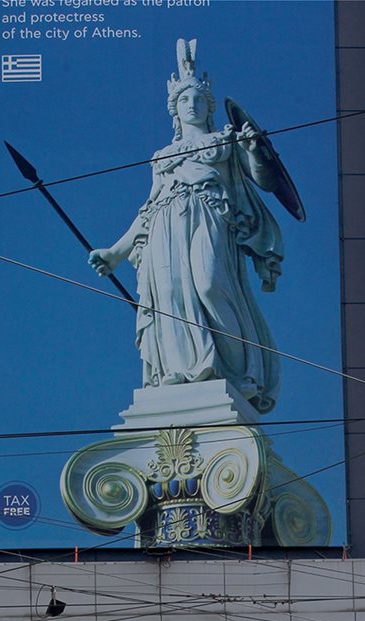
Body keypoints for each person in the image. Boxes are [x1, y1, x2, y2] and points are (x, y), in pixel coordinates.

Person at [89, 39, 284, 413]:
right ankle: (183, 369)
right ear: (174, 111)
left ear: (209, 107)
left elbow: (264, 180)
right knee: (172, 294)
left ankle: (241, 373)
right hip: (165, 225)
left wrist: (255, 149)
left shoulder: (223, 141)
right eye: (183, 100)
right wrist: (116, 252)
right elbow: (148, 208)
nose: (190, 104)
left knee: (211, 284)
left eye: (197, 99)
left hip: (209, 215)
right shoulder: (162, 157)